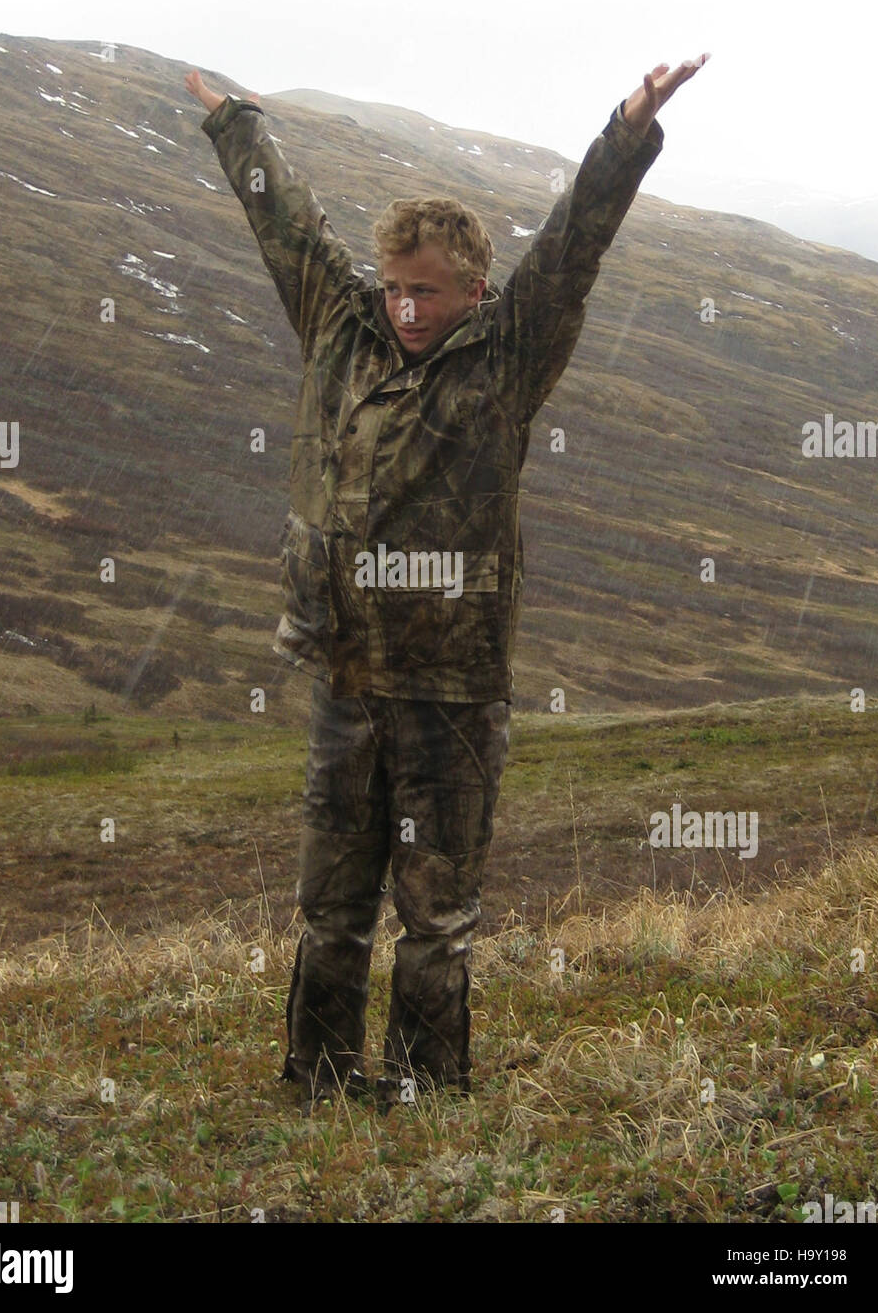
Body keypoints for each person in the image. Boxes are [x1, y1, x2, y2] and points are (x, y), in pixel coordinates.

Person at [187, 55, 708, 1108]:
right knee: (332, 904)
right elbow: (284, 224)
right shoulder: (342, 328)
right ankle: (321, 1080)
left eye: (425, 289)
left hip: (455, 694)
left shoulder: (509, 352)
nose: (406, 306)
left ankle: (426, 1091)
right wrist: (237, 122)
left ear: (472, 288)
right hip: (347, 678)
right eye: (395, 285)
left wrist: (625, 129)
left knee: (437, 912)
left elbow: (573, 247)